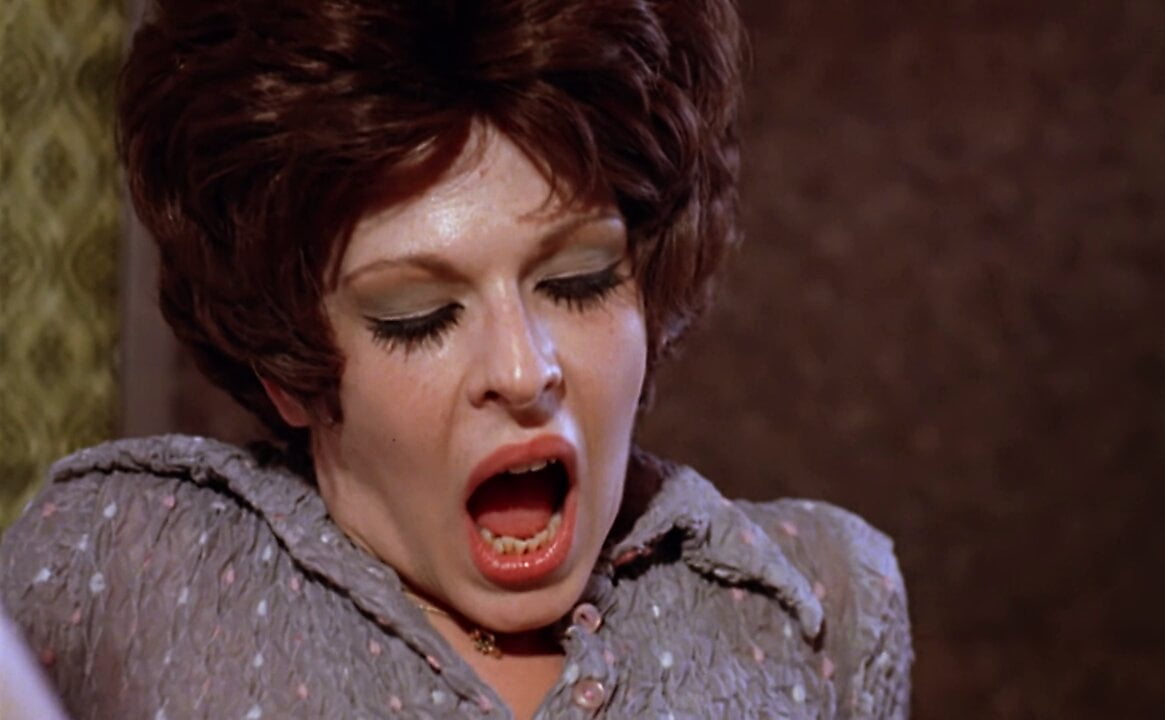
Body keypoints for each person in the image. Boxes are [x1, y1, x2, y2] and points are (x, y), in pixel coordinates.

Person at [0, 0, 912, 717]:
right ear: (286, 365)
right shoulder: (120, 560)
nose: (522, 371)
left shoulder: (822, 600)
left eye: (580, 282)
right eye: (418, 316)